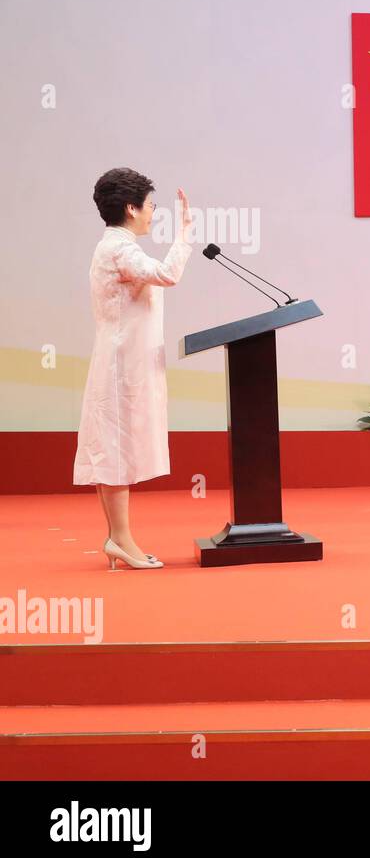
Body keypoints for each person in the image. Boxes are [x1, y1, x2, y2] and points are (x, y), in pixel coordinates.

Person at [73, 168, 193, 569]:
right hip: (121, 366)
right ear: (130, 207)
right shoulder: (120, 249)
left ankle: (117, 539)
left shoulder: (114, 246)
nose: (153, 213)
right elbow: (167, 274)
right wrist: (184, 236)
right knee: (115, 452)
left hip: (122, 361)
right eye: (150, 206)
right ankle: (121, 540)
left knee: (113, 451)